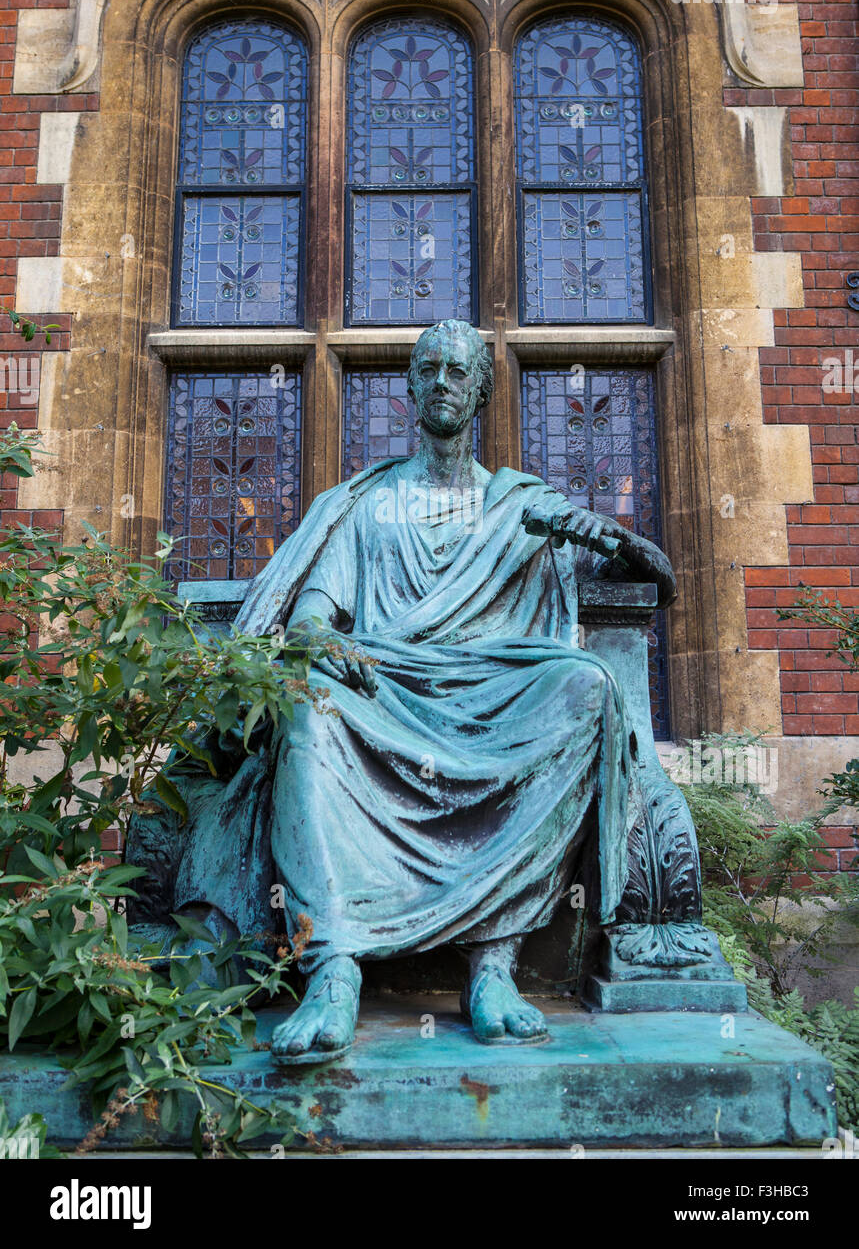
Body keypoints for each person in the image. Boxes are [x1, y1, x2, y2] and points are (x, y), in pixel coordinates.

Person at [127, 318, 676, 1065]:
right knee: (304, 706)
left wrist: (605, 536)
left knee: (583, 685)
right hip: (382, 686)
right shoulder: (365, 504)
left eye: (458, 371)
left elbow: (656, 581)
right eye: (428, 370)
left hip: (489, 692)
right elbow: (313, 616)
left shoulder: (523, 505)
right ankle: (332, 967)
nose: (443, 383)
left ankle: (491, 967)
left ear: (481, 389)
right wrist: (322, 642)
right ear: (410, 387)